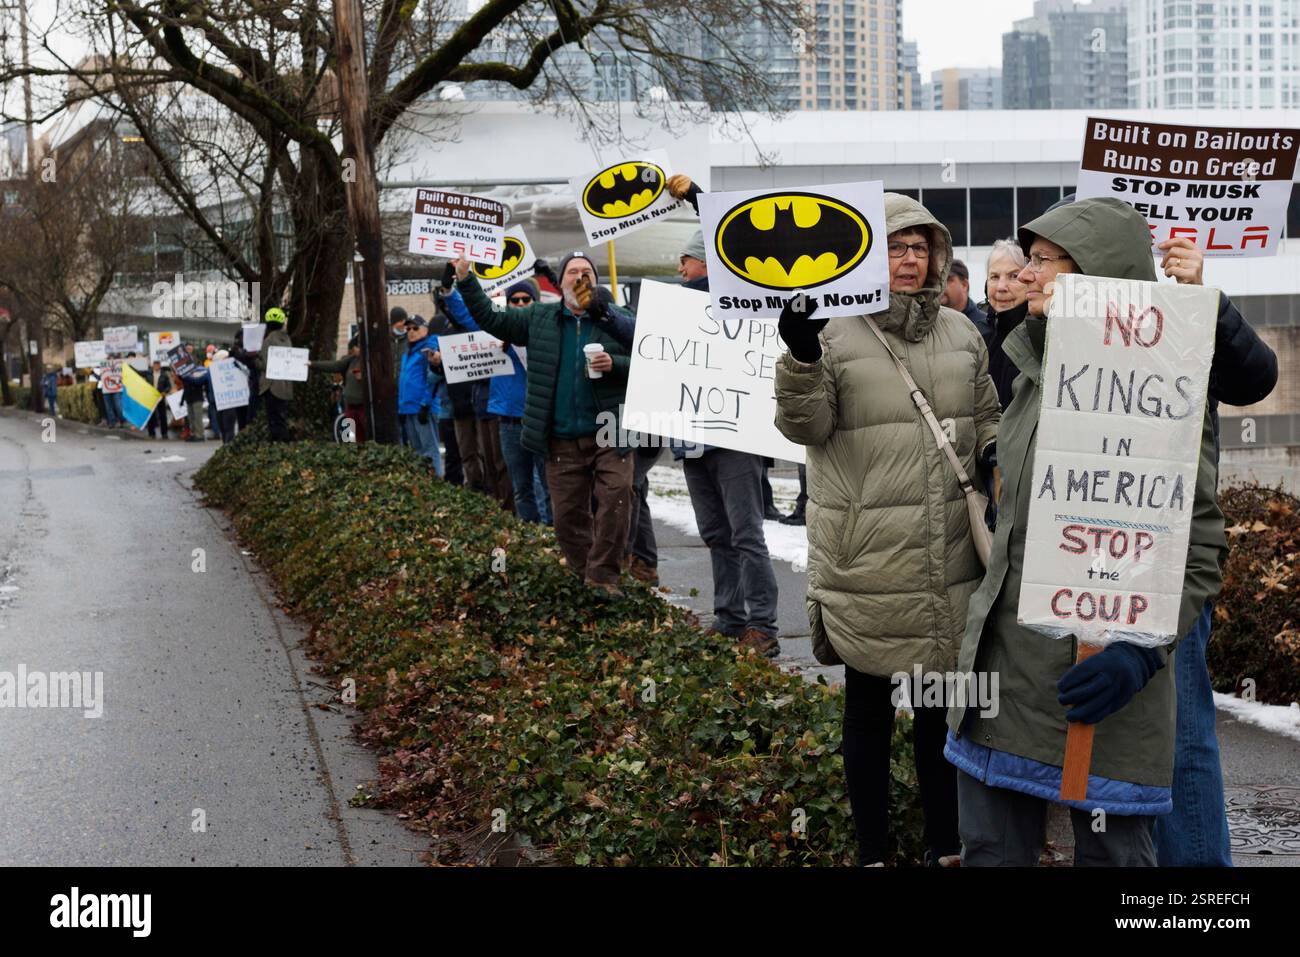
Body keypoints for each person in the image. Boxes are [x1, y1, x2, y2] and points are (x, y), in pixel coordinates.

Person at [943, 197, 1228, 867]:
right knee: (990, 851)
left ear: (1098, 273)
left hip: (1102, 688)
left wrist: (1140, 650)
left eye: (1045, 262)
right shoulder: (1036, 370)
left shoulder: (1164, 384)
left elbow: (1198, 543)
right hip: (1001, 681)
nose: (1028, 275)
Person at [773, 193, 1000, 867]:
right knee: (867, 714)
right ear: (870, 255)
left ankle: (946, 845)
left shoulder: (963, 334)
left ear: (939, 256)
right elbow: (803, 427)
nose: (909, 259)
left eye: (920, 247)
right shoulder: (833, 332)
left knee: (939, 713)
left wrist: (993, 453)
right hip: (867, 558)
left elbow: (987, 417)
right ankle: (872, 849)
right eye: (896, 247)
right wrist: (800, 357)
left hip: (949, 559)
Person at [1145, 235, 1278, 867]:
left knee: (1182, 730)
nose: (1028, 274)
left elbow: (1256, 374)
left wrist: (1205, 296)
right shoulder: (1036, 325)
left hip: (1170, 561)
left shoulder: (1180, 316)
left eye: (1042, 261)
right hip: (1075, 559)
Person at [450, 251, 634, 596]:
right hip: (560, 435)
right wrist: (466, 280)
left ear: (596, 282)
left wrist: (616, 365)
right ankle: (587, 577)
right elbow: (493, 318)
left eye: (587, 272)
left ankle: (604, 578)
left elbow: (647, 352)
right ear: (559, 281)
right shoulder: (539, 317)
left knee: (617, 497)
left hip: (611, 428)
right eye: (573, 271)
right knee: (566, 516)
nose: (580, 277)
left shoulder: (616, 317)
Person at [660, 215, 782, 653]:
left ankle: (763, 627)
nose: (680, 271)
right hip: (692, 441)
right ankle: (730, 618)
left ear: (710, 262)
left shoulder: (741, 296)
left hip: (735, 439)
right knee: (716, 533)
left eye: (687, 261)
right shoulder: (676, 306)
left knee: (746, 534)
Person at [980, 238, 1030, 410]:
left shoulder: (1040, 340)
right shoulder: (975, 337)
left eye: (1013, 276)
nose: (1001, 286)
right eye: (994, 276)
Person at [396, 314, 443, 473]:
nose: (411, 331)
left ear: (425, 329)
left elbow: (432, 380)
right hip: (408, 409)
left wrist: (425, 404)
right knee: (417, 452)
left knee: (430, 450)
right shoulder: (407, 353)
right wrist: (401, 408)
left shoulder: (427, 349)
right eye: (408, 328)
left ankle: (436, 484)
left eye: (415, 328)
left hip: (423, 408)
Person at [310, 336, 367, 442]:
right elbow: (335, 366)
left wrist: (365, 377)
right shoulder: (352, 360)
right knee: (349, 437)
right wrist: (313, 364)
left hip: (363, 406)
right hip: (350, 405)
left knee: (364, 435)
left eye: (357, 347)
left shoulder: (370, 361)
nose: (354, 350)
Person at [257, 307, 294, 442]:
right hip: (285, 386)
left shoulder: (268, 340)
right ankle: (283, 443)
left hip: (271, 386)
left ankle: (278, 443)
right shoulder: (287, 339)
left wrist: (256, 361)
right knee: (282, 417)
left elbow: (268, 365)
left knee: (274, 419)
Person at [941, 259, 992, 343]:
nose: (941, 285)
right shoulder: (931, 324)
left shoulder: (985, 325)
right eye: (939, 280)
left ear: (964, 285)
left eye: (948, 280)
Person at [147, 360, 172, 439]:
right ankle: (151, 433)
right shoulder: (148, 373)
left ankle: (164, 433)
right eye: (155, 364)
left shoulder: (164, 375)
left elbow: (169, 386)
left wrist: (165, 392)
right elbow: (138, 373)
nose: (156, 366)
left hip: (160, 397)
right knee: (151, 416)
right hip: (151, 397)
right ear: (152, 365)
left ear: (160, 365)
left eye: (158, 364)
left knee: (162, 416)